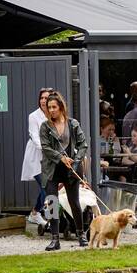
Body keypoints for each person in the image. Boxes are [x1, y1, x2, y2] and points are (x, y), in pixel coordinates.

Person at [40, 91, 90, 250]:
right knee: (51, 203)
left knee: (74, 202)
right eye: (49, 107)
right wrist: (60, 158)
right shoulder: (45, 126)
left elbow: (83, 144)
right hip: (52, 168)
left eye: (54, 107)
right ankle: (54, 239)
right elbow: (45, 148)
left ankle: (81, 234)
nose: (51, 110)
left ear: (61, 107)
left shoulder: (73, 124)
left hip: (71, 169)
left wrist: (76, 160)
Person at [22, 88, 52, 228]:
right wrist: (46, 149)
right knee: (46, 186)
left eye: (46, 98)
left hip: (51, 157)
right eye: (42, 98)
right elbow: (34, 136)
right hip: (36, 156)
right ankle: (51, 219)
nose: (43, 101)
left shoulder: (55, 114)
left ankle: (35, 213)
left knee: (48, 187)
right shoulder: (33, 116)